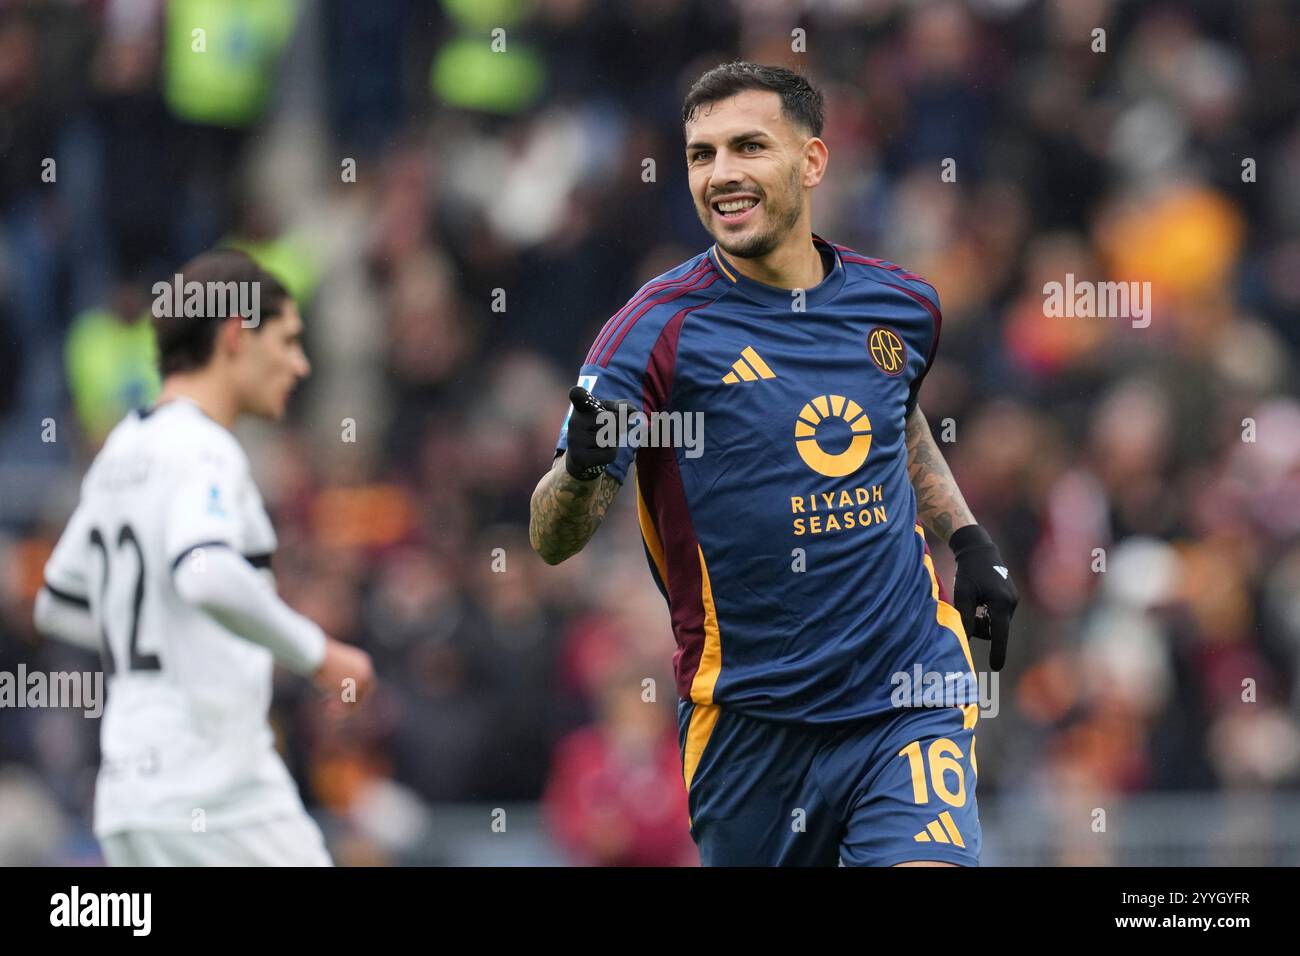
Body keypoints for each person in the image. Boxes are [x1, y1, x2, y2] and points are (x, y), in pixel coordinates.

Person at [529, 62, 1019, 866]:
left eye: (748, 147)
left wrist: (966, 540)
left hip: (904, 691)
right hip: (750, 726)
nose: (721, 174)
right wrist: (579, 472)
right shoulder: (650, 333)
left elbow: (894, 418)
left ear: (813, 162)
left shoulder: (900, 305)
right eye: (701, 154)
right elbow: (553, 538)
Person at [34, 248, 374, 866]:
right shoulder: (206, 450)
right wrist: (319, 653)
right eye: (290, 341)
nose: (299, 365)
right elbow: (206, 573)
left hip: (130, 795)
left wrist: (175, 635)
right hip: (217, 788)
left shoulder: (123, 450)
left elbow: (58, 603)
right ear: (236, 334)